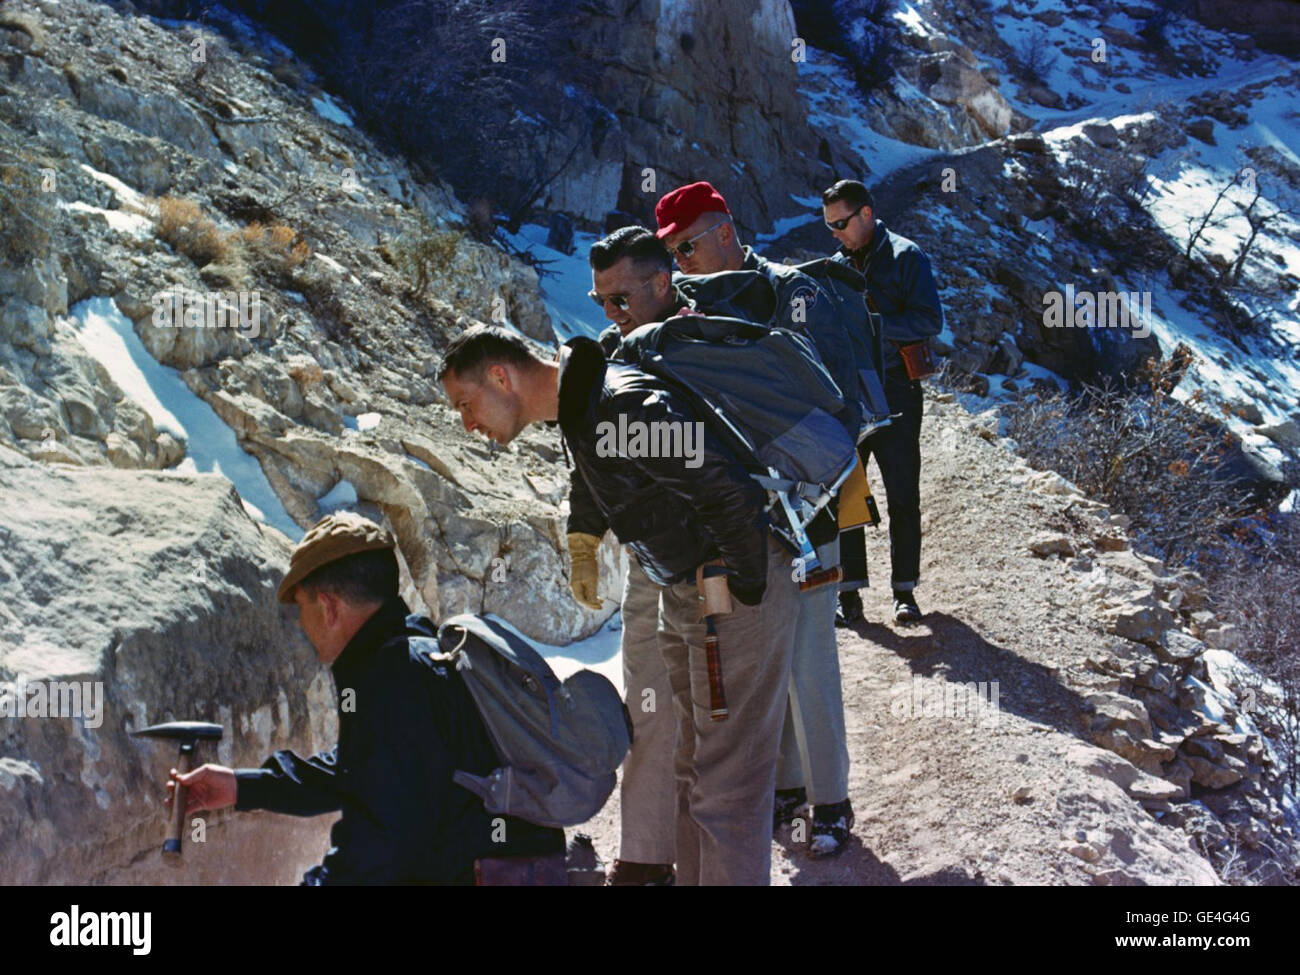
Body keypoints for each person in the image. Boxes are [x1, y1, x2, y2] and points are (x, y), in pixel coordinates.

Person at [439, 318, 800, 885]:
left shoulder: (620, 407)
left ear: (500, 376)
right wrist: (587, 535)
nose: (467, 424)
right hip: (688, 590)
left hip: (724, 592)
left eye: (466, 403)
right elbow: (603, 474)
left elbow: (727, 490)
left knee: (727, 784)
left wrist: (743, 592)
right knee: (695, 771)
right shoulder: (582, 410)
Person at [165, 512, 565, 885]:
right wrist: (243, 787)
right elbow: (363, 772)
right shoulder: (417, 653)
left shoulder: (394, 681)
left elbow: (378, 850)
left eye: (301, 608)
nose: (302, 625)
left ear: (328, 606)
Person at [655, 182, 855, 856]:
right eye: (670, 253)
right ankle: (791, 786)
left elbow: (846, 405)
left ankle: (832, 801)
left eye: (687, 245)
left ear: (725, 232)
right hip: (744, 522)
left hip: (812, 512)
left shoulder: (792, 295)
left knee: (809, 655)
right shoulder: (684, 318)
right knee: (766, 661)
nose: (680, 262)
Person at [568, 226, 695, 885]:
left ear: (662, 282)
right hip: (651, 561)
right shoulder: (610, 355)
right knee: (648, 700)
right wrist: (583, 538)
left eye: (622, 299)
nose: (612, 315)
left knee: (721, 714)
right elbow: (589, 462)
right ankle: (646, 856)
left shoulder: (708, 343)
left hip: (724, 558)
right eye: (602, 301)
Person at [822, 179, 944, 625]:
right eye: (830, 225)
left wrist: (871, 323)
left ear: (866, 214)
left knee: (902, 492)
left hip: (896, 391)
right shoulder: (835, 266)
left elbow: (930, 319)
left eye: (840, 223)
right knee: (848, 494)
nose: (834, 233)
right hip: (849, 396)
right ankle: (849, 594)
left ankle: (904, 592)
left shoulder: (908, 256)